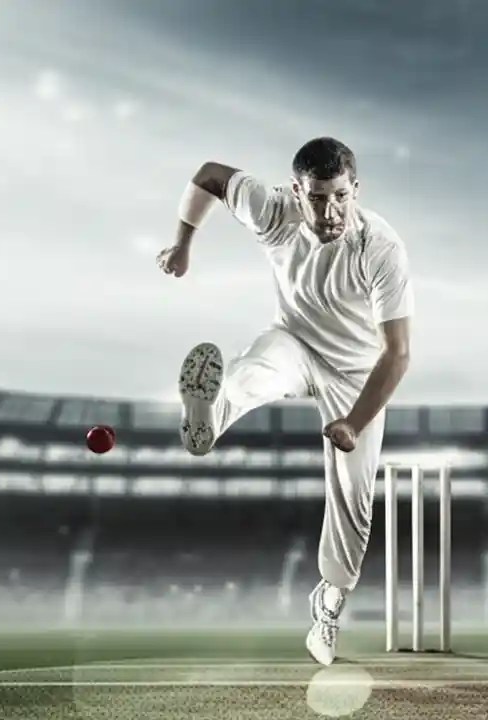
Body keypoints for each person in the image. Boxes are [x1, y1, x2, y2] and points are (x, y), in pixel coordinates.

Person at [156, 137, 414, 666]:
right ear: (297, 193)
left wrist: (354, 421)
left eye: (341, 196)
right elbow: (208, 173)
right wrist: (182, 243)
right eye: (317, 198)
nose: (330, 211)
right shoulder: (272, 211)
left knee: (353, 500)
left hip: (357, 374)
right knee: (253, 371)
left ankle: (328, 606)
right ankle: (208, 417)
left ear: (355, 189)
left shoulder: (381, 246)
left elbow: (399, 353)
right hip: (295, 340)